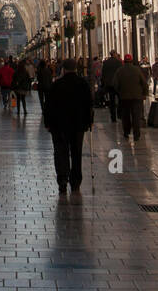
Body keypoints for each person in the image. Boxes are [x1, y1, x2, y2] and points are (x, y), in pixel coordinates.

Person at [43, 58, 93, 194]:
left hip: (59, 125)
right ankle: (75, 181)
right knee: (76, 153)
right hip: (78, 125)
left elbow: (48, 105)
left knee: (60, 152)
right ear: (76, 69)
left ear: (63, 69)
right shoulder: (83, 84)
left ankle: (63, 180)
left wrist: (47, 123)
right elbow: (89, 104)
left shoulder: (57, 84)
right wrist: (89, 121)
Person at [113, 54, 149, 142]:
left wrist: (119, 93)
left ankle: (126, 132)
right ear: (132, 61)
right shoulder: (137, 70)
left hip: (124, 97)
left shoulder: (119, 71)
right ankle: (136, 134)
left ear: (124, 61)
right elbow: (144, 83)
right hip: (137, 97)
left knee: (126, 116)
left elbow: (115, 84)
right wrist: (144, 94)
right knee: (136, 115)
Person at [100, 51, 122, 123]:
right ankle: (119, 114)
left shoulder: (106, 63)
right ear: (115, 54)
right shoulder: (118, 62)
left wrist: (103, 83)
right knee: (120, 99)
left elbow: (103, 73)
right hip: (117, 84)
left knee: (112, 101)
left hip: (109, 84)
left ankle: (113, 117)